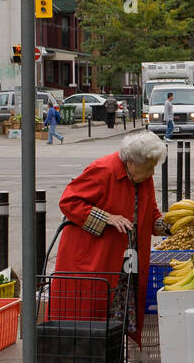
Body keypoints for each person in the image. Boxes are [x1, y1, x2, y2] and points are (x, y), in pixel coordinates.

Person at [52, 131, 169, 345]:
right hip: (96, 262)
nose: (152, 172)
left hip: (126, 263)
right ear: (131, 162)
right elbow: (69, 202)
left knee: (118, 322)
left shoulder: (143, 178)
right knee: (91, 321)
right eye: (149, 166)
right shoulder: (103, 170)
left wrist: (171, 227)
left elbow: (151, 217)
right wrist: (107, 217)